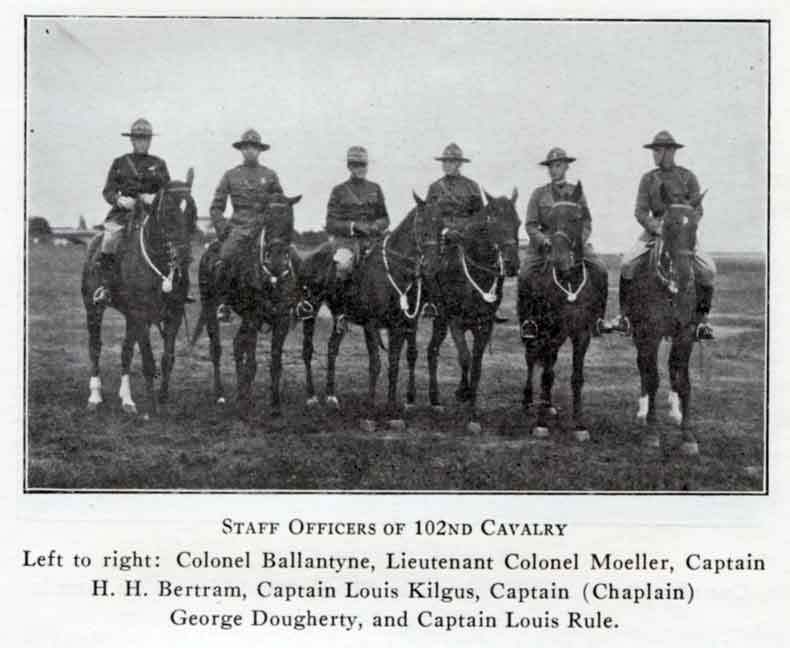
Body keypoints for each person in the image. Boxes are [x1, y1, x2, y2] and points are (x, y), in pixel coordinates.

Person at [606, 131, 715, 339]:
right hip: (654, 232)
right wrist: (656, 227)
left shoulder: (688, 177)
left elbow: (698, 210)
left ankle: (702, 321)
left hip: (682, 235)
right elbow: (640, 211)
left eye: (658, 150)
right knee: (627, 263)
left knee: (709, 269)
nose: (654, 155)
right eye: (653, 151)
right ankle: (624, 317)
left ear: (671, 151)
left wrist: (686, 225)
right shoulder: (648, 179)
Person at [518, 147, 609, 339]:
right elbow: (531, 225)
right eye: (550, 166)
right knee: (525, 274)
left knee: (600, 269)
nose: (553, 170)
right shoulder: (538, 194)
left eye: (558, 165)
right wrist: (543, 240)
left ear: (566, 167)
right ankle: (529, 321)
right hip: (546, 244)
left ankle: (598, 319)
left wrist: (579, 241)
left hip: (573, 242)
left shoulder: (577, 193)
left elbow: (586, 222)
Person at [209, 129, 284, 322]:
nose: (250, 151)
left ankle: (291, 303)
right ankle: (224, 303)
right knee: (225, 257)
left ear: (260, 151)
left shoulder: (270, 175)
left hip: (264, 228)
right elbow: (216, 207)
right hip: (238, 228)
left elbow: (280, 204)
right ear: (241, 150)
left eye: (254, 148)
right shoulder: (231, 175)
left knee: (286, 258)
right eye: (246, 148)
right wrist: (224, 229)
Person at [93, 118, 171, 305]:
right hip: (124, 214)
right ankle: (105, 287)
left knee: (173, 242)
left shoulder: (159, 164)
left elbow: (168, 191)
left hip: (151, 214)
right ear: (132, 140)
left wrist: (154, 197)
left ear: (150, 141)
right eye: (138, 139)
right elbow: (108, 191)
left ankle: (174, 286)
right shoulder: (120, 163)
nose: (142, 142)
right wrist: (120, 200)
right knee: (110, 239)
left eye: (145, 139)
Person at [325, 146, 389, 330]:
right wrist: (353, 226)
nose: (359, 168)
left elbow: (385, 217)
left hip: (373, 240)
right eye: (355, 165)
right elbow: (330, 222)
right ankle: (341, 313)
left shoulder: (375, 188)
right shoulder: (339, 190)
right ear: (349, 167)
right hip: (347, 241)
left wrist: (376, 226)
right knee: (343, 267)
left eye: (362, 165)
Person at [422, 142, 488, 319]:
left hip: (467, 238)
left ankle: (487, 303)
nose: (447, 165)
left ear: (459, 164)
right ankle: (431, 303)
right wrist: (444, 230)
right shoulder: (435, 187)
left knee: (488, 263)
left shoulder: (472, 186)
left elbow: (480, 216)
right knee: (428, 266)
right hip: (442, 238)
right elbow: (429, 216)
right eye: (445, 161)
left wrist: (465, 230)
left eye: (451, 162)